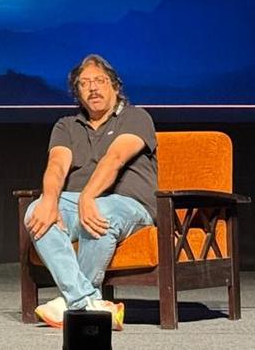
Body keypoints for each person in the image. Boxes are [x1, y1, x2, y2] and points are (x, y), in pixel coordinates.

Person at [23, 55, 158, 330]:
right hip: (74, 201)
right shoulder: (66, 126)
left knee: (100, 211)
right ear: (78, 93)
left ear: (115, 87)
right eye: (85, 84)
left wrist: (87, 197)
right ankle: (85, 302)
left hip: (129, 204)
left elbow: (115, 158)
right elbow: (57, 165)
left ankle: (72, 303)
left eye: (100, 81)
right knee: (36, 211)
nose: (93, 88)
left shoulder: (136, 116)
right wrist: (49, 201)